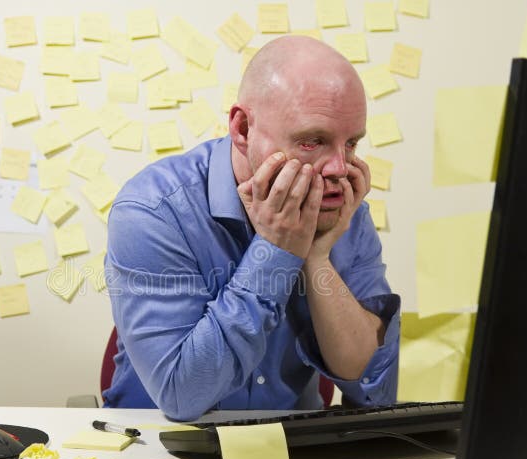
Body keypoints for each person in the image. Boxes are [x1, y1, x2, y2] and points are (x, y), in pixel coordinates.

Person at [103, 35, 400, 421]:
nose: (339, 169)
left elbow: (376, 392)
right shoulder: (153, 211)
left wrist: (315, 255)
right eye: (313, 141)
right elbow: (183, 397)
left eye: (351, 144)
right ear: (243, 129)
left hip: (290, 449)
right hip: (155, 450)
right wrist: (275, 249)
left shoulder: (340, 206)